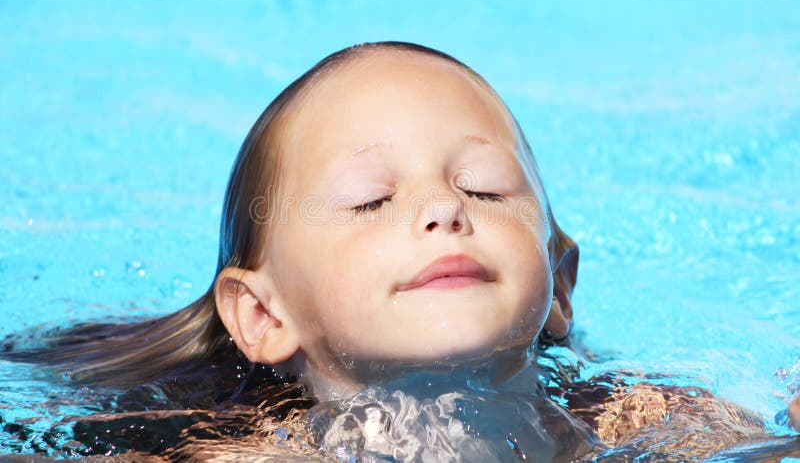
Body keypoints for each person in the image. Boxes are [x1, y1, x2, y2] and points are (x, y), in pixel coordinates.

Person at [5, 42, 799, 460]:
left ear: (560, 284)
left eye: (485, 188)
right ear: (262, 314)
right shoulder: (233, 454)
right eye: (369, 200)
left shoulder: (646, 416)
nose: (444, 210)